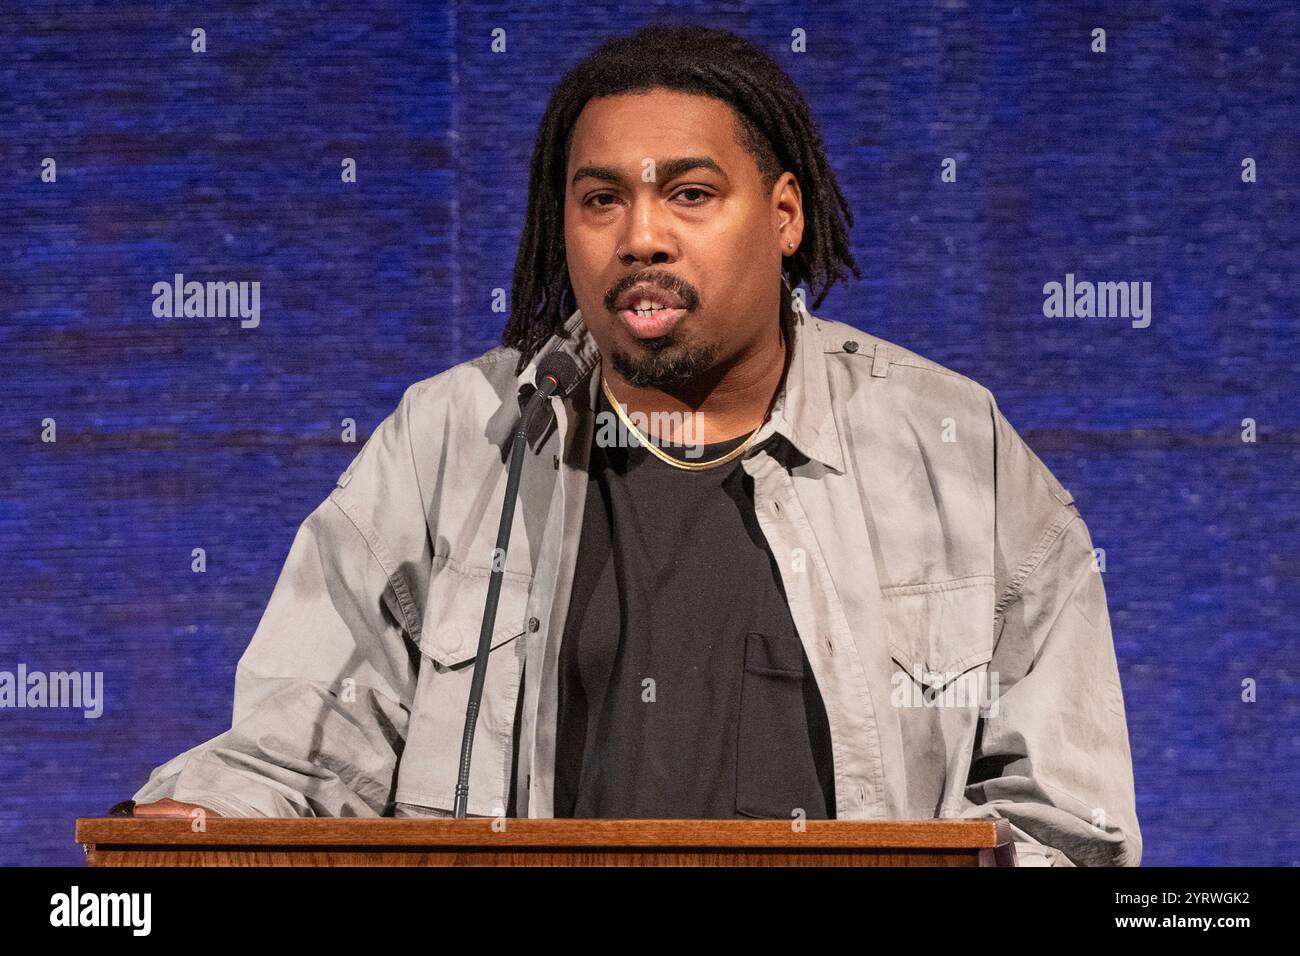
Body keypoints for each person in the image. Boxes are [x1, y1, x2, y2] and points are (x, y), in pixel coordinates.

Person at [132, 24, 1141, 866]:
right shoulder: (455, 442)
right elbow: (300, 750)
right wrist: (190, 827)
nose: (640, 237)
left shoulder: (954, 450)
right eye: (601, 198)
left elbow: (1068, 821)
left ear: (784, 215)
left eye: (691, 195)